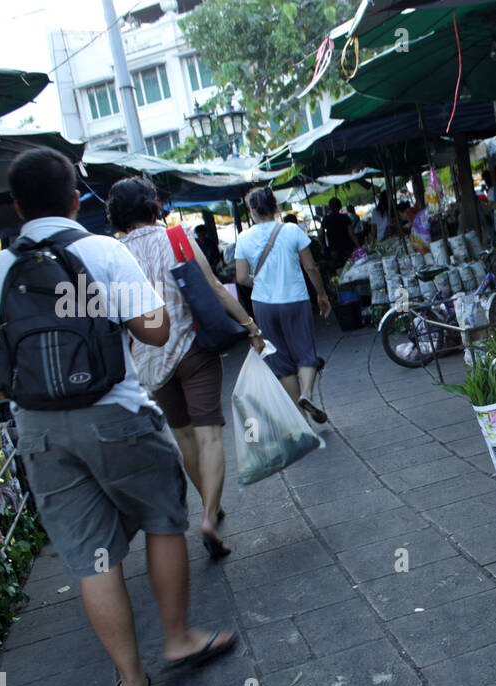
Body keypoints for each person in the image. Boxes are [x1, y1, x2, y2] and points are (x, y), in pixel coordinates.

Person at [0, 147, 237, 686]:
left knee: (92, 553)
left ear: (17, 207)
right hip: (114, 409)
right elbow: (157, 332)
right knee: (164, 519)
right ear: (73, 199)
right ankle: (178, 638)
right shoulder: (101, 250)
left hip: (39, 428)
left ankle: (132, 682)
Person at [105, 177, 265, 561]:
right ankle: (209, 515)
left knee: (185, 439)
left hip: (149, 360)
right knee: (209, 435)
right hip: (193, 348)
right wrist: (250, 326)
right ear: (153, 205)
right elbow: (215, 288)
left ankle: (210, 505)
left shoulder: (112, 253)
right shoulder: (175, 238)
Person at [234, 186, 331, 423]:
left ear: (252, 211)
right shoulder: (291, 230)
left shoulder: (244, 238)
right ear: (275, 207)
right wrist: (322, 295)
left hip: (264, 305)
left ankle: (301, 419)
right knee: (305, 351)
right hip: (295, 300)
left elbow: (240, 277)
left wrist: (259, 281)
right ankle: (306, 394)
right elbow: (311, 267)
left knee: (281, 360)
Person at [321, 198, 356, 270]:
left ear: (330, 207)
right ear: (340, 206)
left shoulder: (326, 219)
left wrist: (323, 247)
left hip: (333, 249)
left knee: (338, 270)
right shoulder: (345, 217)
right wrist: (358, 245)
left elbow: (320, 235)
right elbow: (351, 234)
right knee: (351, 268)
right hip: (347, 247)